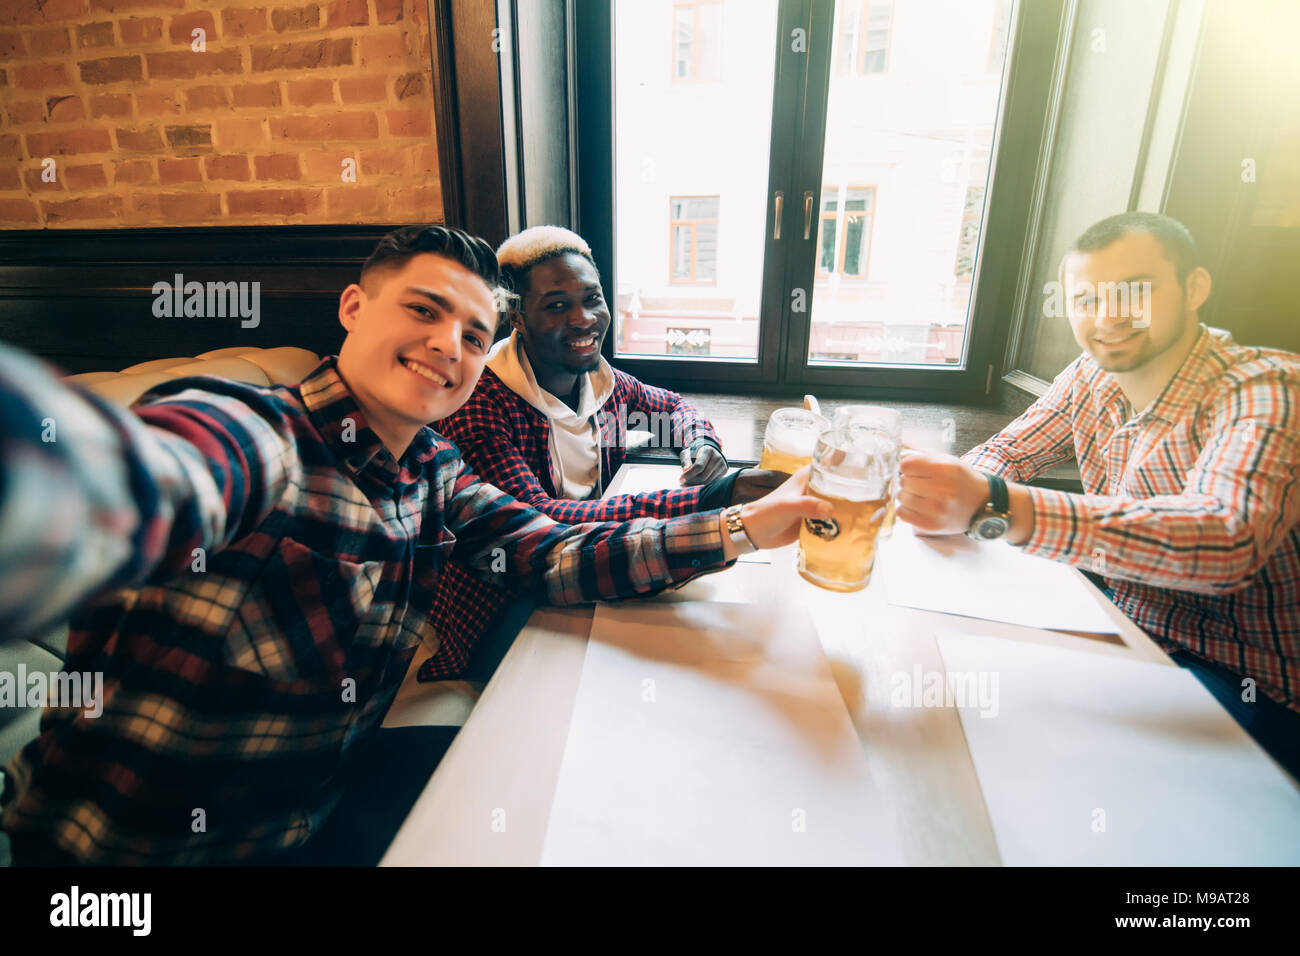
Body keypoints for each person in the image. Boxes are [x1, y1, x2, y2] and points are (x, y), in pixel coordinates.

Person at [0, 225, 828, 865]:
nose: (449, 346)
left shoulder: (433, 469)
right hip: (129, 860)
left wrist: (749, 523)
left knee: (586, 796)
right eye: (424, 310)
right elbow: (141, 477)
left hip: (313, 812)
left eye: (473, 334)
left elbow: (556, 553)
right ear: (354, 308)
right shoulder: (259, 434)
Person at [896, 211, 1300, 778]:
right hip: (1124, 635)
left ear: (1195, 289)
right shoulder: (1092, 374)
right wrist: (947, 493)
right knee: (940, 694)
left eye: (1135, 291)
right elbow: (1009, 453)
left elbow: (1226, 539)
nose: (1108, 317)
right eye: (1086, 299)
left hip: (1252, 682)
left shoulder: (1268, 387)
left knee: (1041, 757)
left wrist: (996, 506)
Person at [423, 225, 782, 681]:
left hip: (594, 563)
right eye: (557, 306)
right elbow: (541, 521)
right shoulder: (482, 404)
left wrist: (701, 442)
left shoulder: (597, 382)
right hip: (506, 600)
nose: (583, 319)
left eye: (592, 298)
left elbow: (670, 407)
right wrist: (715, 499)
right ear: (516, 316)